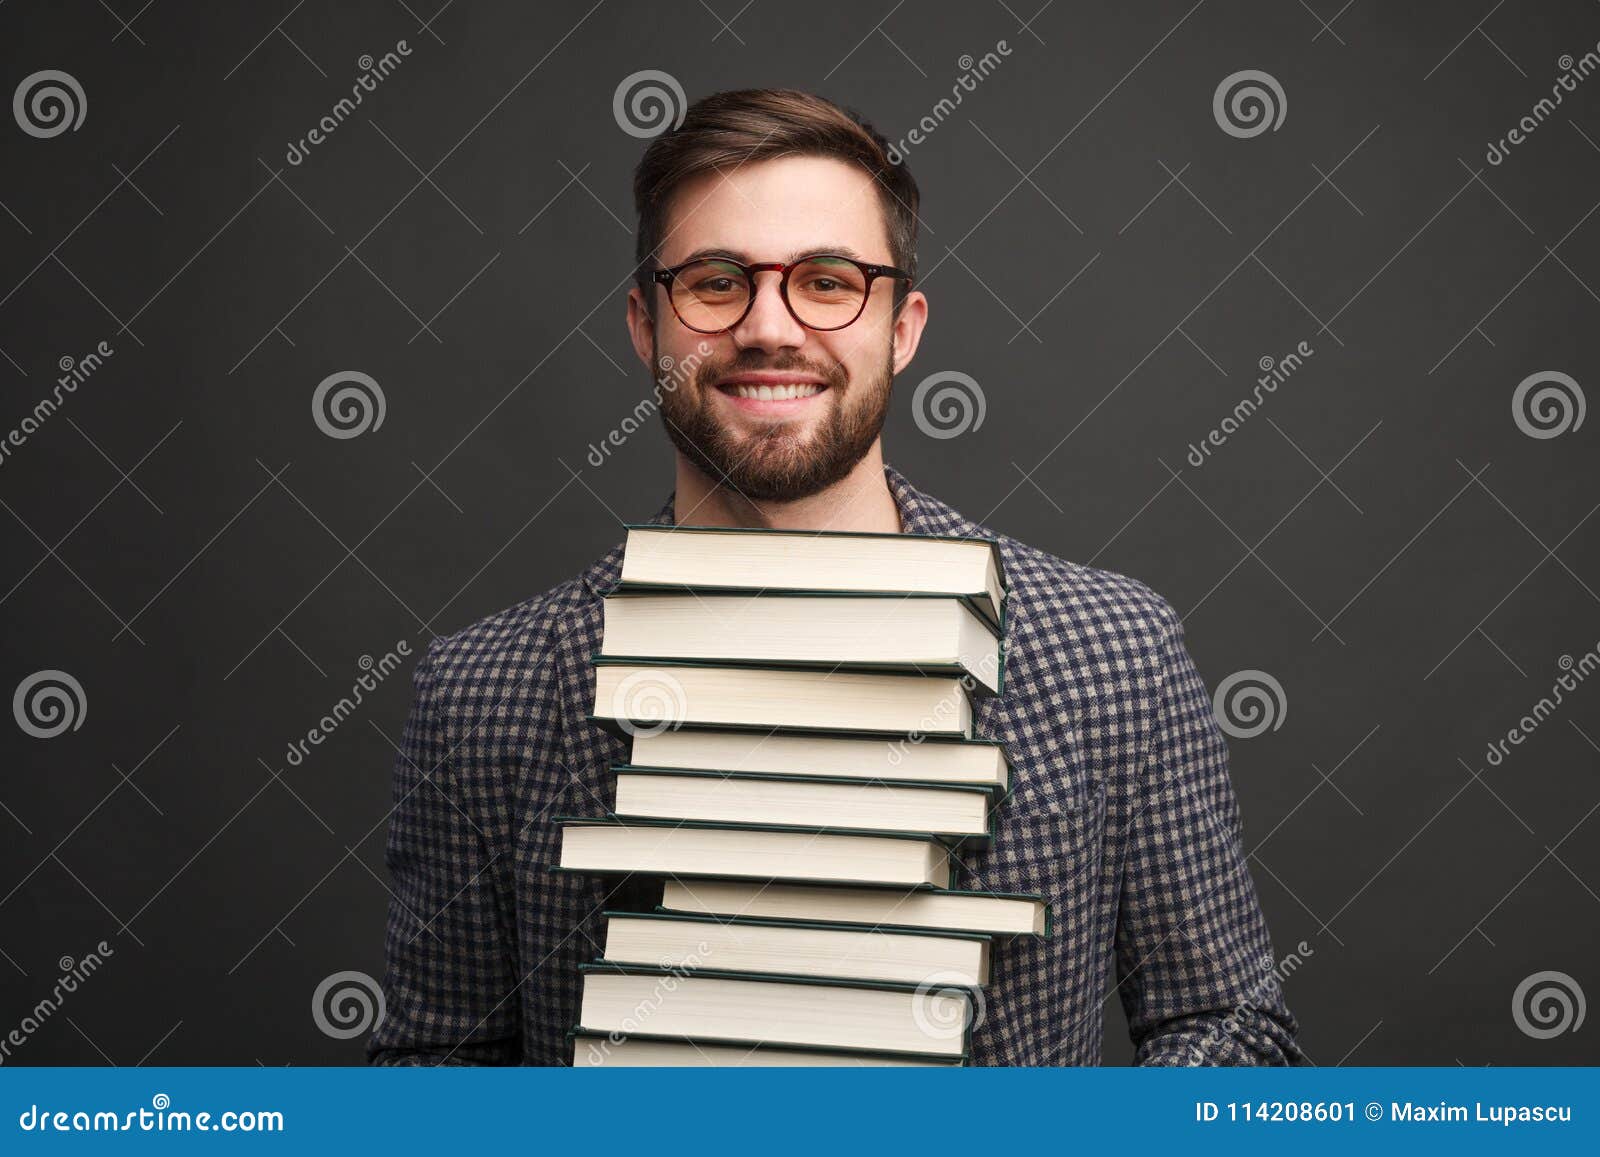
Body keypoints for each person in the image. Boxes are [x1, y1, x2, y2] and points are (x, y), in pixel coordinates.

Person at [367, 88, 1304, 1066]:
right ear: (646, 325)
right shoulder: (480, 697)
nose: (770, 327)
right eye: (717, 281)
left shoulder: (1114, 652)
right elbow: (435, 1069)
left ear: (902, 326)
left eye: (827, 280)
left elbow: (1228, 1029)